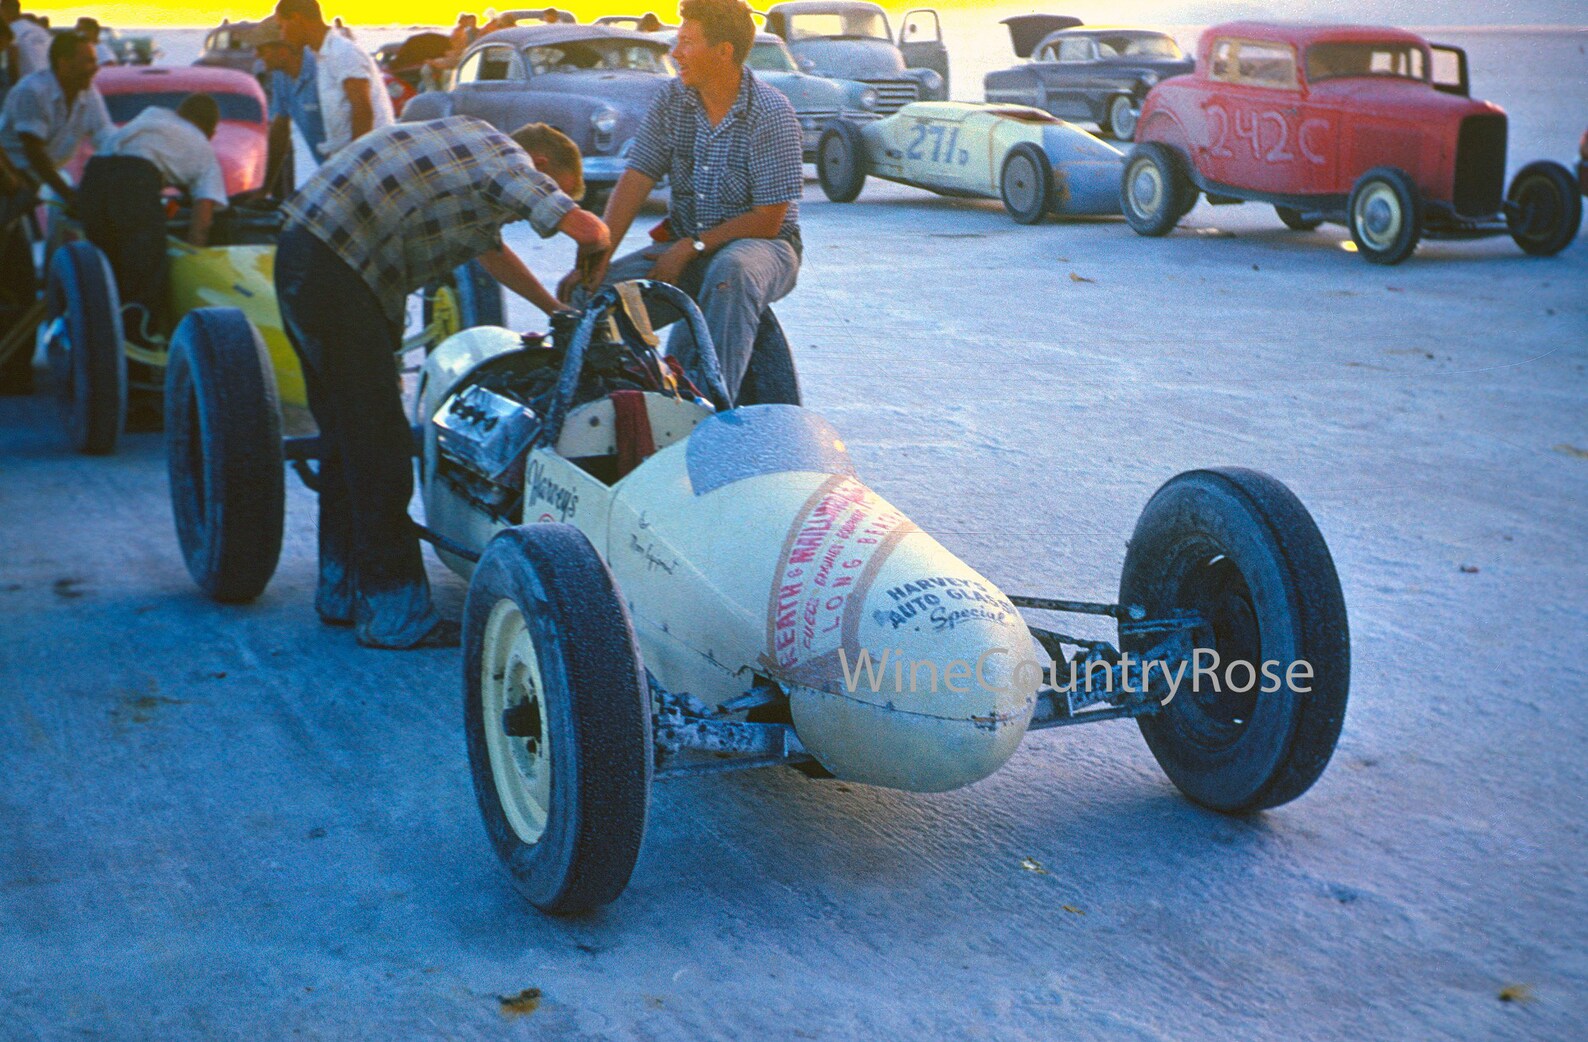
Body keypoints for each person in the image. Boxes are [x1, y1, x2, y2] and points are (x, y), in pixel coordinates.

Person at [275, 117, 610, 648]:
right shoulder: (509, 159)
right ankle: (395, 615)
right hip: (339, 270)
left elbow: (492, 252)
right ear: (542, 165)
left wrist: (554, 308)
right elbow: (590, 231)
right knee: (382, 451)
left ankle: (342, 590)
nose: (523, 213)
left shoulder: (470, 146)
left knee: (346, 443)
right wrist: (593, 253)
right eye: (557, 189)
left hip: (301, 255)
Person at [558, 0, 802, 403]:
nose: (675, 53)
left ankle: (710, 411)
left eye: (687, 42)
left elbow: (768, 219)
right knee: (595, 300)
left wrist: (692, 246)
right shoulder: (672, 100)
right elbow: (637, 179)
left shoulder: (771, 111)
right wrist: (598, 256)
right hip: (686, 248)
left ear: (723, 52)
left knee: (731, 271)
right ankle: (607, 411)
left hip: (765, 247)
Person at [78, 94, 228, 343]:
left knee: (106, 272)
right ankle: (140, 344)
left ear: (179, 112)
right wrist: (193, 255)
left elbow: (141, 155)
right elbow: (203, 219)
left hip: (94, 175)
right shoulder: (204, 148)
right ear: (212, 132)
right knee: (144, 275)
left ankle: (99, 343)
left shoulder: (152, 114)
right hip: (134, 181)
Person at [272, 0, 392, 160]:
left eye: (281, 27)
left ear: (296, 19)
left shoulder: (342, 51)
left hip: (374, 160)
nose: (282, 36)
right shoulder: (323, 57)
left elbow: (363, 111)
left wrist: (354, 163)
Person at [256, 26, 325, 194]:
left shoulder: (321, 71)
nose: (256, 55)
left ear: (282, 52)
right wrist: (263, 191)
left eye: (262, 50)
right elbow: (280, 129)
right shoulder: (281, 75)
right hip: (328, 167)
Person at [1, 0, 48, 79]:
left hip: (28, 81)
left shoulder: (11, 32)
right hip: (51, 80)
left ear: (4, 10)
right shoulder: (40, 30)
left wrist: (15, 85)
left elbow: (12, 62)